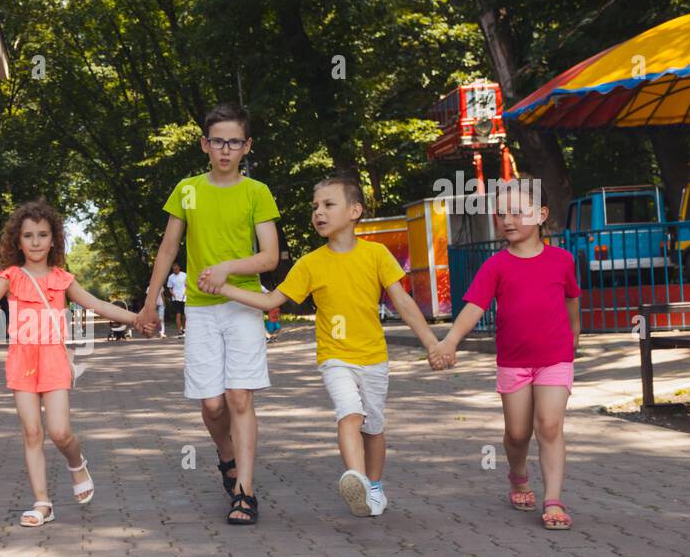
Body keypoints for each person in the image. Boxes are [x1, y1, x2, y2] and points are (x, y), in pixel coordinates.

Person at [213, 174, 446, 518]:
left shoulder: (377, 254)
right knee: (349, 413)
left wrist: (431, 343)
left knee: (374, 427)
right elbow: (272, 300)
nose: (318, 212)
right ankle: (358, 482)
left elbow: (404, 302)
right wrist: (225, 288)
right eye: (315, 207)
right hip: (334, 358)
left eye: (328, 205)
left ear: (355, 211)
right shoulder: (310, 263)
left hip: (374, 358)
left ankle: (375, 484)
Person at [0, 199, 140, 526]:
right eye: (29, 236)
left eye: (43, 235)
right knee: (31, 432)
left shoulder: (63, 279)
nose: (36, 241)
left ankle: (76, 463)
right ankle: (42, 502)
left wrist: (137, 319)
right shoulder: (10, 277)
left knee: (60, 432)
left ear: (54, 239)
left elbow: (98, 304)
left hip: (53, 358)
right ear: (18, 241)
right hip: (21, 359)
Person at [135, 102, 281, 525]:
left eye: (234, 142)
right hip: (200, 311)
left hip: (243, 305)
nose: (225, 150)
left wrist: (228, 269)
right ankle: (226, 455)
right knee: (213, 404)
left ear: (246, 146)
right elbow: (167, 249)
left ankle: (245, 492)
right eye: (218, 141)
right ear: (204, 144)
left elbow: (269, 257)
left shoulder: (257, 192)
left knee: (239, 396)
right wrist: (149, 303)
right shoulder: (188, 189)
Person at [433, 176, 580, 530]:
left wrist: (574, 334)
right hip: (513, 362)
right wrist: (449, 341)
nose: (509, 220)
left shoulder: (562, 260)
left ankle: (554, 501)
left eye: (518, 212)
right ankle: (518, 475)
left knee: (549, 424)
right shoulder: (496, 265)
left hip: (555, 359)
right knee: (517, 434)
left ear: (542, 214)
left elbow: (572, 298)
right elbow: (473, 307)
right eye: (502, 213)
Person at [167, 261, 188, 336]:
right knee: (178, 314)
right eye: (174, 269)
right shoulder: (171, 277)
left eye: (176, 268)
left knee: (185, 315)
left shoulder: (184, 275)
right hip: (176, 298)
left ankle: (184, 329)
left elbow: (187, 286)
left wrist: (185, 293)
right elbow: (170, 288)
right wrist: (173, 294)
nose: (175, 269)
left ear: (179, 268)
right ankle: (179, 330)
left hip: (184, 297)